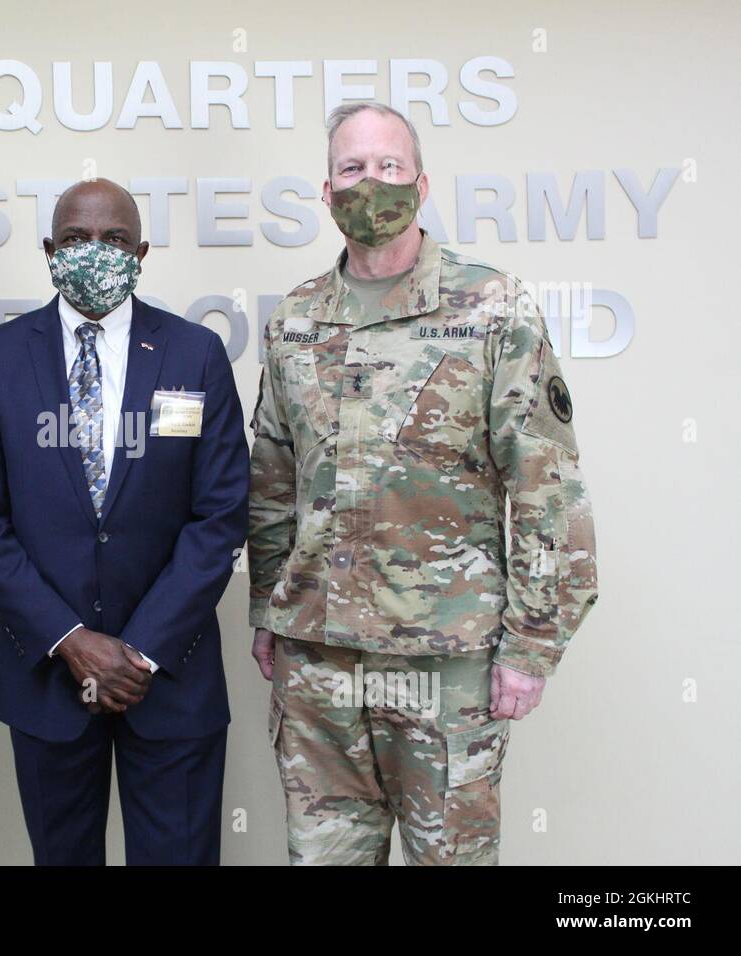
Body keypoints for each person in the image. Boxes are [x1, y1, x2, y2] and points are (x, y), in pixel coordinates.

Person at [248, 102, 598, 865]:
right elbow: (272, 479)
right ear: (326, 190)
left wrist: (532, 645)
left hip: (447, 664)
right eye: (351, 168)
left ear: (422, 184)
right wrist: (267, 610)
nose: (368, 183)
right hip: (319, 668)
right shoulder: (296, 321)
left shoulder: (493, 308)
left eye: (388, 166)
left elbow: (546, 488)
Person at [0, 178, 249, 865]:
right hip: (49, 680)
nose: (96, 251)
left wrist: (139, 650)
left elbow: (221, 514)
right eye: (78, 239)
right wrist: (71, 639)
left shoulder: (193, 354)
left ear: (141, 252)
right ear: (50, 251)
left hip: (171, 678)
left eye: (114, 239)